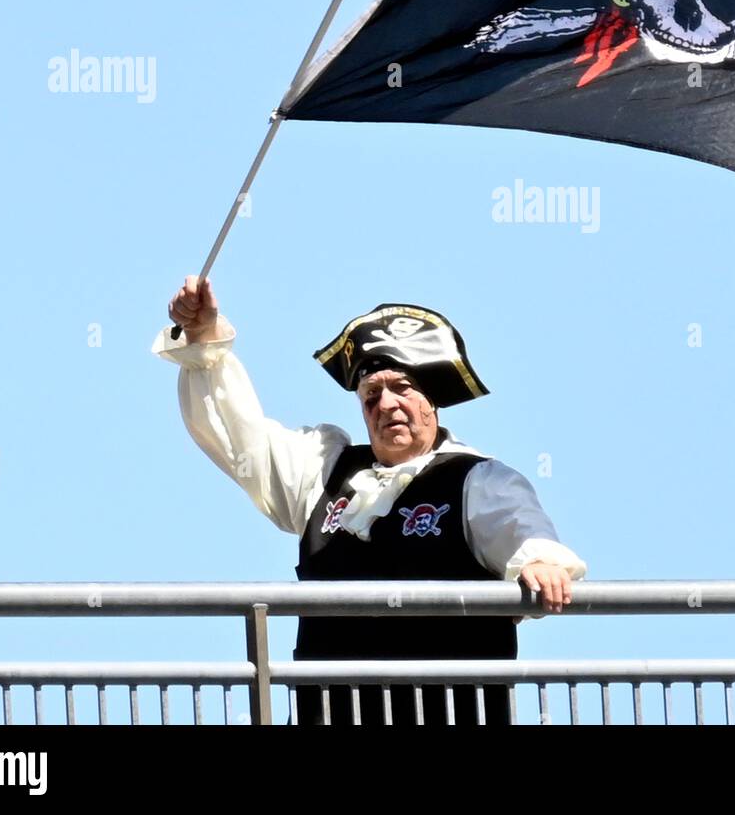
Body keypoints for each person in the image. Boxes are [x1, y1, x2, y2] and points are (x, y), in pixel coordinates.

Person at [151, 276, 586, 726]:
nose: (386, 403)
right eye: (371, 395)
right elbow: (241, 438)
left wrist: (541, 561)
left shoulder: (477, 479)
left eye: (402, 387)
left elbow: (519, 527)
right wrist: (205, 337)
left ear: (432, 401)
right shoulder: (325, 470)